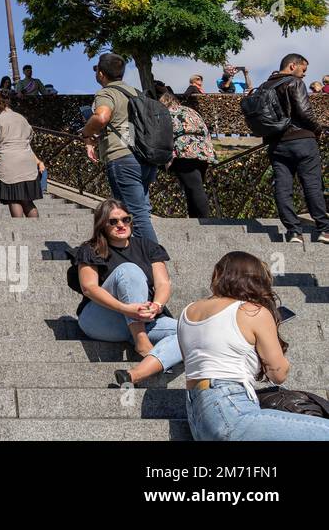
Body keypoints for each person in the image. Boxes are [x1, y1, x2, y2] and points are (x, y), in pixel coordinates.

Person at [178, 251, 329, 440]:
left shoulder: (188, 311)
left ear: (218, 275)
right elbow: (278, 374)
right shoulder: (253, 312)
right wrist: (272, 334)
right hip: (231, 409)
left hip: (198, 417)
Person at [73, 198, 180, 388]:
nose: (121, 225)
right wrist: (126, 309)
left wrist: (157, 306)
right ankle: (141, 341)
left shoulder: (147, 246)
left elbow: (163, 283)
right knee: (128, 270)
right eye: (113, 221)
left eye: (125, 219)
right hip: (102, 319)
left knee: (191, 331)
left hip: (143, 316)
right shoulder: (90, 249)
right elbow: (89, 287)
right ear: (102, 225)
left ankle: (137, 374)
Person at [79, 52, 159, 243]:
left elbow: (102, 117)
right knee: (141, 210)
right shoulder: (136, 93)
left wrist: (85, 133)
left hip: (122, 157)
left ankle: (154, 260)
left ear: (100, 74)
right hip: (145, 156)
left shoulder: (107, 93)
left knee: (135, 214)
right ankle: (141, 255)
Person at [254, 53, 327, 243]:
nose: (304, 75)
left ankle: (294, 231)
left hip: (276, 144)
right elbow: (304, 111)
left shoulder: (263, 87)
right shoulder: (294, 82)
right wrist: (319, 129)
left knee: (282, 187)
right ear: (292, 66)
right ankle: (324, 229)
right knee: (311, 184)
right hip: (302, 140)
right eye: (303, 70)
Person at [157, 85, 216, 220]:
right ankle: (195, 220)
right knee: (193, 187)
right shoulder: (191, 111)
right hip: (203, 151)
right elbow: (205, 130)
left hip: (184, 152)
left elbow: (164, 136)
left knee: (194, 188)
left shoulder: (167, 113)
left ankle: (204, 221)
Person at [0, 89, 45, 218]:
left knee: (13, 199)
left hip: (8, 163)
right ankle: (37, 230)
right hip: (26, 161)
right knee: (27, 201)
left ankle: (19, 233)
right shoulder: (22, 119)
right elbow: (29, 137)